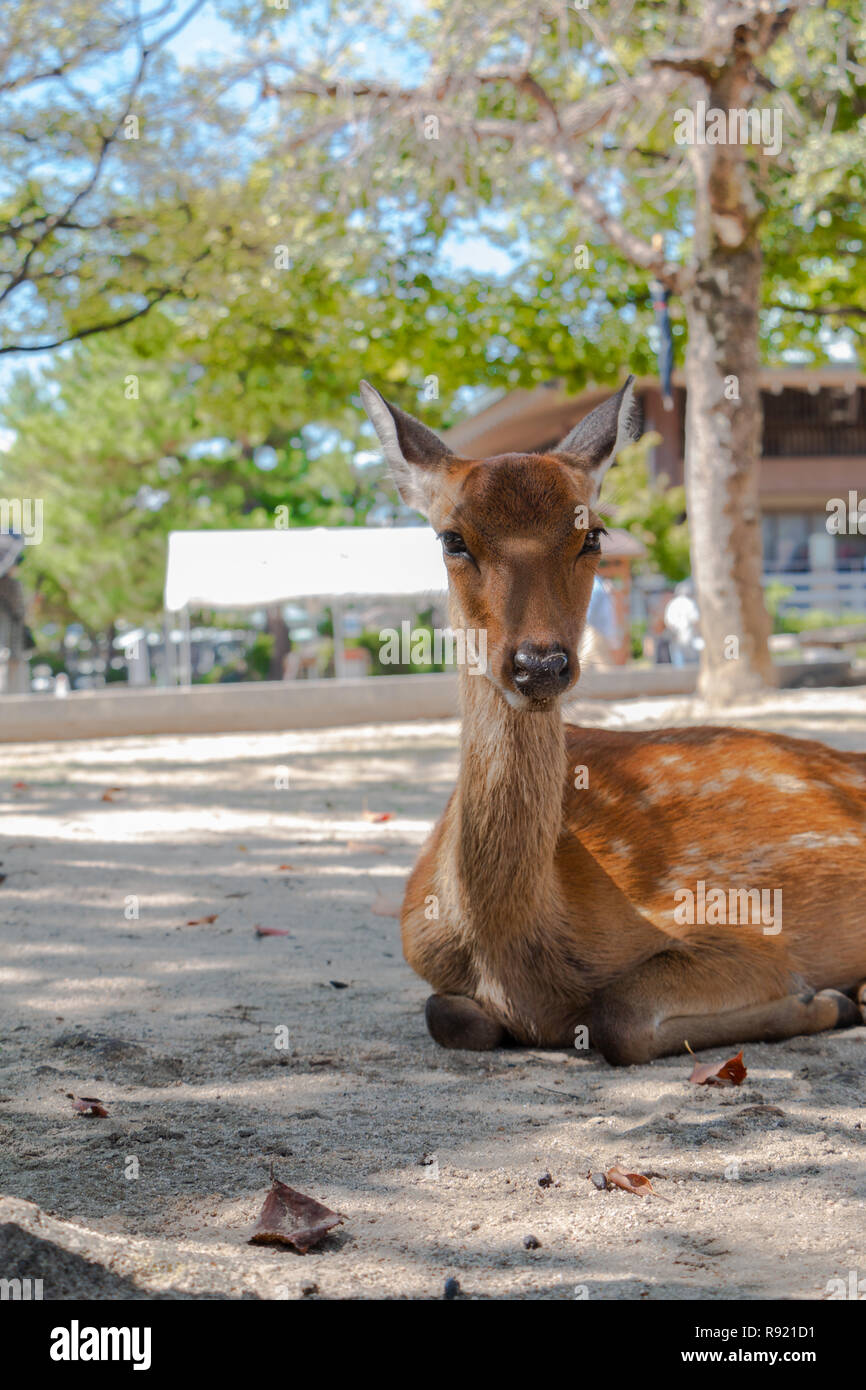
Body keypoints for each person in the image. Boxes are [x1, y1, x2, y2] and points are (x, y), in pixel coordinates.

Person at [664, 578, 702, 666]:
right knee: (693, 662)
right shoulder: (690, 603)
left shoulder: (672, 604)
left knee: (679, 662)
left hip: (677, 638)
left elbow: (669, 622)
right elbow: (696, 619)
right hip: (690, 637)